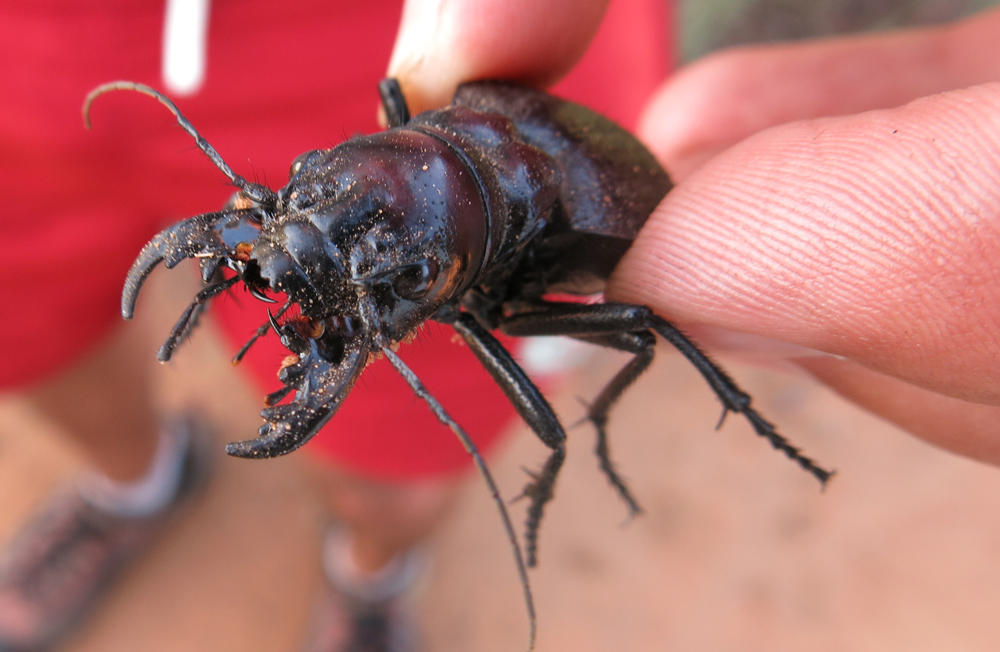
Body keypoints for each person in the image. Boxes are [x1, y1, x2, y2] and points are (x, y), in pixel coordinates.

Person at [0, 0, 669, 649]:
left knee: (398, 467)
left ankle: (371, 580)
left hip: (389, 35)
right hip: (27, 51)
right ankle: (133, 487)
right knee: (33, 338)